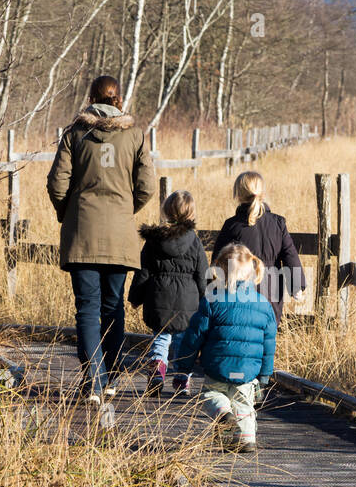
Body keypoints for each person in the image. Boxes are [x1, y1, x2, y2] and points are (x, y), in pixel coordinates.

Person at [46, 75, 155, 404]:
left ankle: (93, 381)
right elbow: (148, 186)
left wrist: (68, 213)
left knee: (87, 310)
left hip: (82, 234)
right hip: (119, 236)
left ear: (91, 97)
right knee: (113, 307)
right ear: (117, 99)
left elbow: (56, 184)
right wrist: (125, 209)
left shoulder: (75, 133)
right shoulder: (135, 135)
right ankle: (111, 377)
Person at [175, 242, 277, 452]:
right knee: (244, 404)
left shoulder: (211, 301)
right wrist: (265, 375)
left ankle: (222, 412)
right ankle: (247, 439)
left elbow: (194, 337)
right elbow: (269, 343)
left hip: (217, 366)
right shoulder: (264, 304)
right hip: (248, 371)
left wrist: (183, 367)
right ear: (251, 273)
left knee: (212, 394)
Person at [128, 189, 209, 395]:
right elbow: (202, 274)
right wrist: (205, 297)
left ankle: (157, 369)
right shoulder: (195, 241)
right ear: (191, 213)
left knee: (161, 338)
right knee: (183, 342)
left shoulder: (153, 241)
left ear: (166, 211)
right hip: (187, 303)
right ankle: (182, 378)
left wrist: (135, 297)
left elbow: (143, 272)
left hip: (158, 299)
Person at [212, 171, 305, 325]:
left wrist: (212, 290)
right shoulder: (278, 223)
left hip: (241, 293)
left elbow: (218, 262)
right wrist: (297, 287)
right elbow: (290, 255)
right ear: (262, 193)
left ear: (238, 194)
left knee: (244, 336)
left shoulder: (232, 226)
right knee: (267, 337)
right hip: (272, 293)